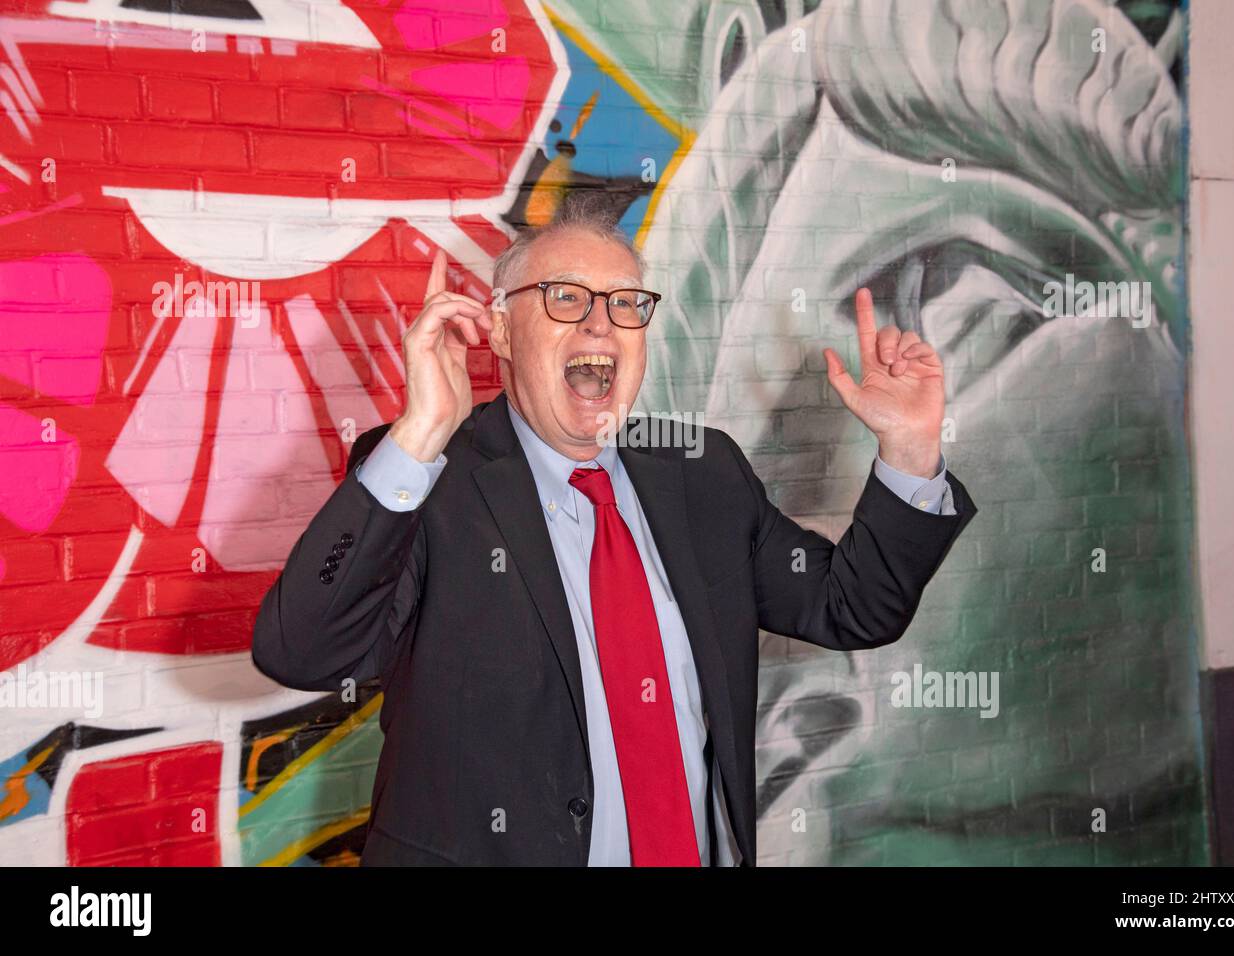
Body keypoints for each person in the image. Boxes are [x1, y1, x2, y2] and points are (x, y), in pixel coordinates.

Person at [252, 200, 977, 866]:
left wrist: (910, 450)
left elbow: (853, 606)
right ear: (500, 328)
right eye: (565, 297)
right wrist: (418, 436)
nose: (600, 323)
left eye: (626, 303)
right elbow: (304, 651)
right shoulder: (429, 479)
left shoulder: (705, 475)